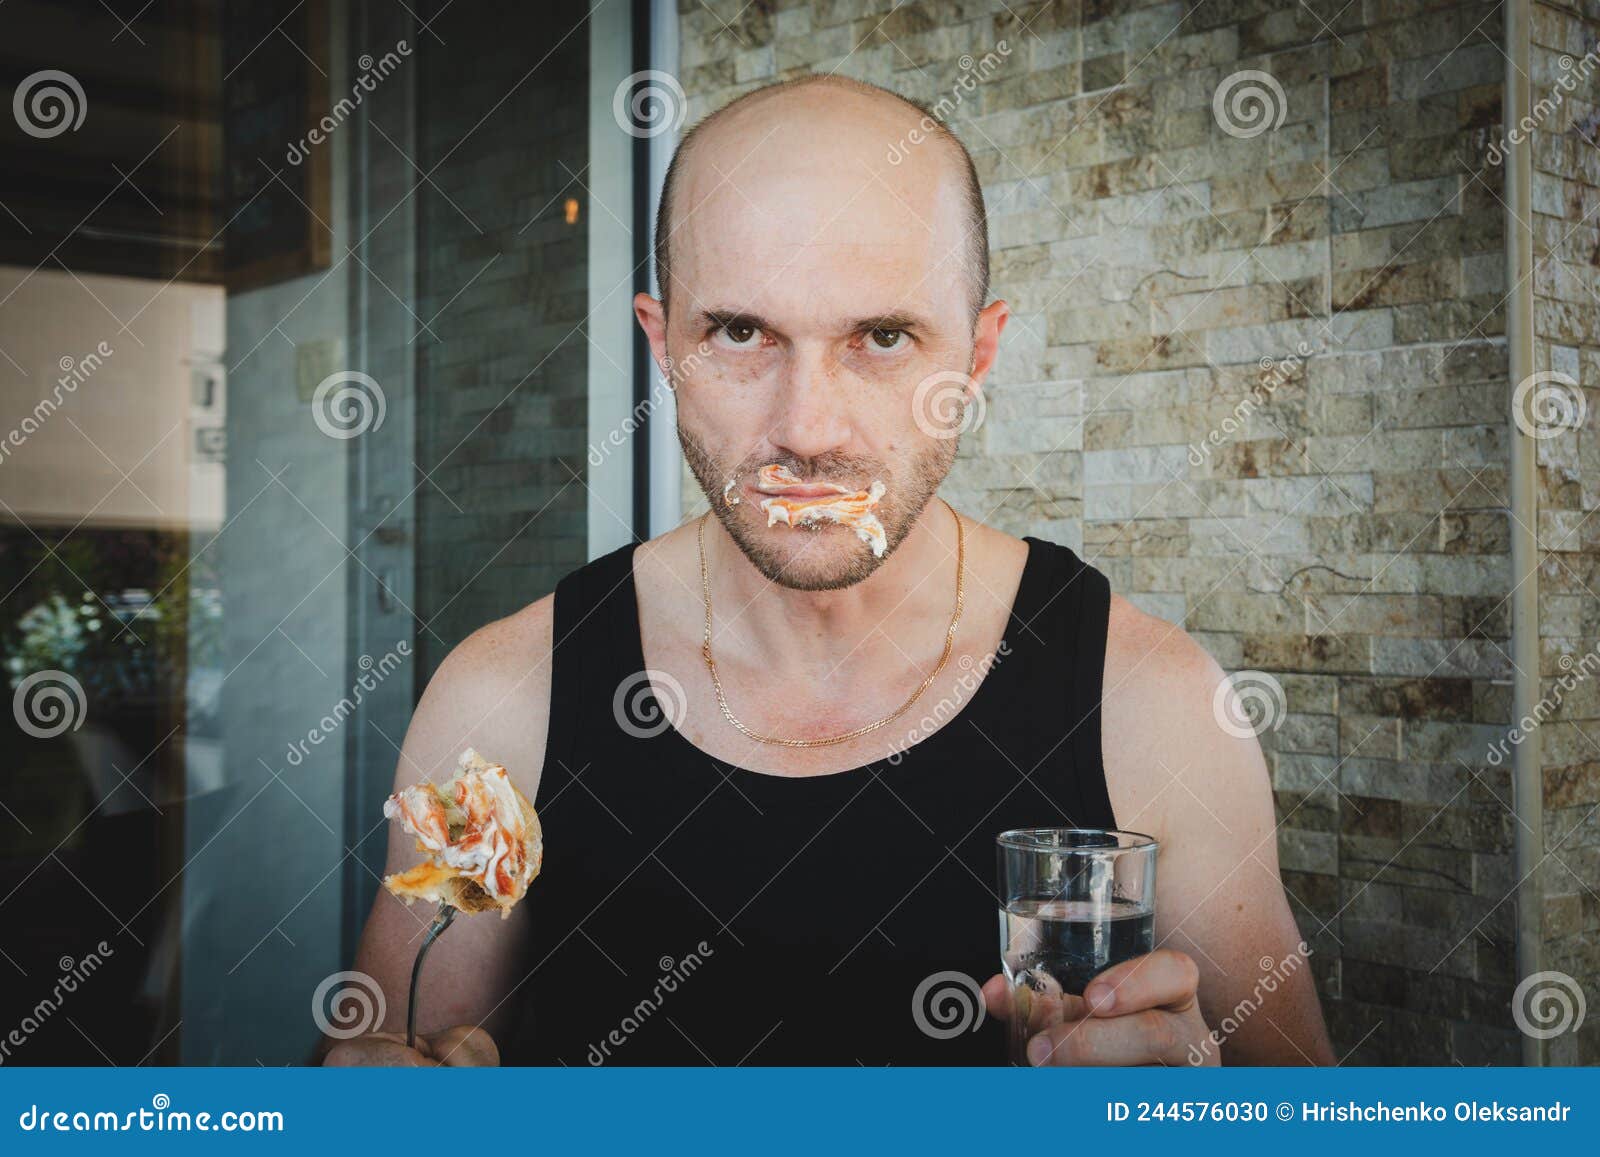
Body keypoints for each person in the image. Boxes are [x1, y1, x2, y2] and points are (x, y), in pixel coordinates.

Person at [323, 74, 1334, 1067]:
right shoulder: (502, 701)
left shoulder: (1155, 705)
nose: (807, 431)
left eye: (882, 337)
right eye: (739, 333)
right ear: (663, 346)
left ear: (977, 357)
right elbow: (380, 1068)